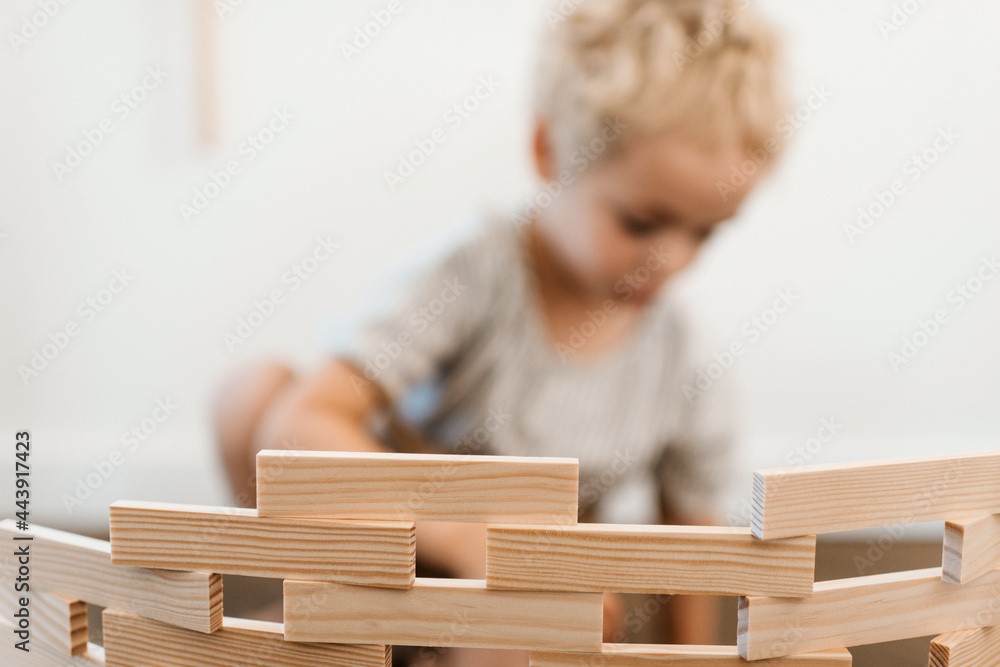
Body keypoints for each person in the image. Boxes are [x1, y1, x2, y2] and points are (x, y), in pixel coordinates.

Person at [215, 0, 788, 663]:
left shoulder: (682, 353)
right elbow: (296, 427)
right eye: (640, 222)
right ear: (549, 151)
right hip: (404, 549)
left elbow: (692, 543)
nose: (674, 259)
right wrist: (463, 537)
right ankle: (341, 623)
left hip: (528, 603)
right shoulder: (479, 272)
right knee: (251, 397)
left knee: (568, 603)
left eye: (706, 231)